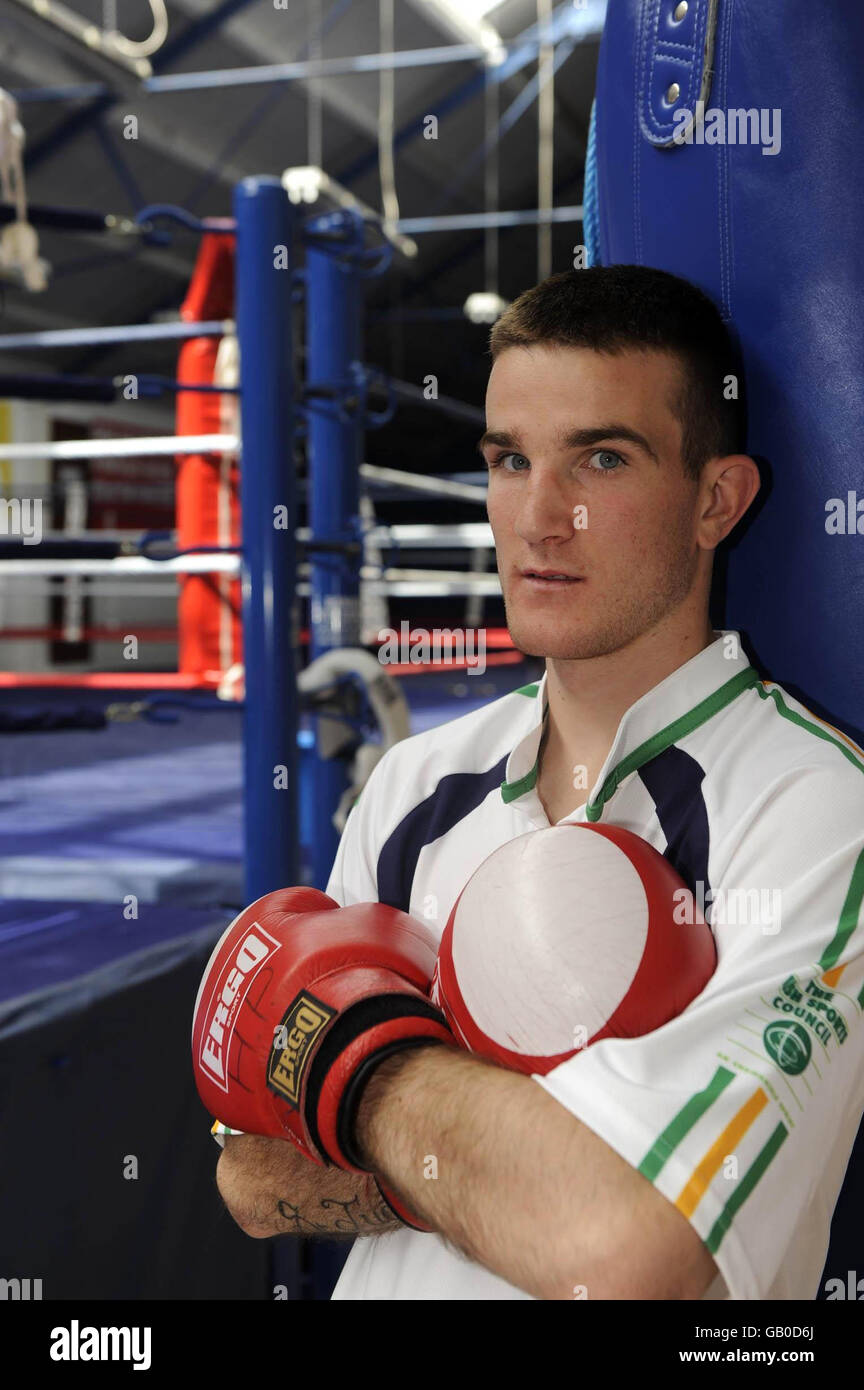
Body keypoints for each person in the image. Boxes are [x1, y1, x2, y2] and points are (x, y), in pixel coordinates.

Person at [213, 265, 864, 1300]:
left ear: (716, 500)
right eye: (510, 459)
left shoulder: (815, 809)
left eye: (601, 459)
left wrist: (354, 1069)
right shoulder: (412, 785)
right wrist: (522, 1144)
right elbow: (253, 1176)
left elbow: (627, 1254)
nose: (538, 517)